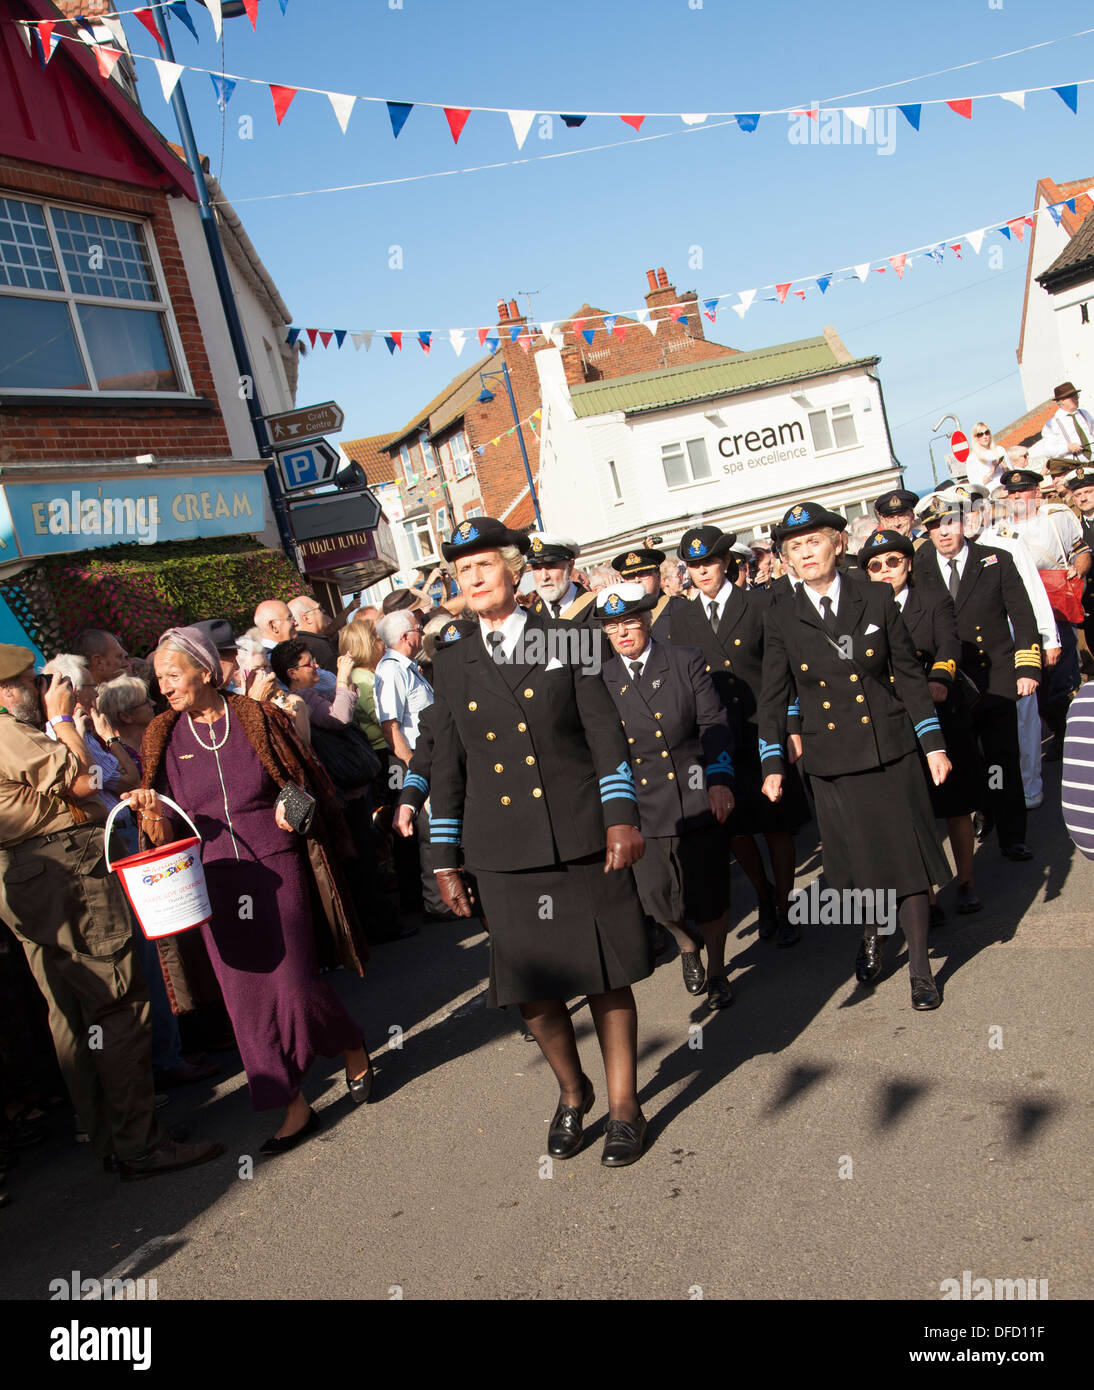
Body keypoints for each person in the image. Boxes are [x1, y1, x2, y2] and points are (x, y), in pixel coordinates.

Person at [426, 517, 652, 1166]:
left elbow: (606, 734)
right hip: (504, 850)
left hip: (581, 832)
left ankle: (625, 1106)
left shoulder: (571, 639)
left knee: (607, 978)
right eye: (461, 570)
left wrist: (621, 816)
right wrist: (443, 857)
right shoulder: (452, 660)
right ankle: (573, 1089)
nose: (471, 578)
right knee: (533, 990)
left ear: (515, 571)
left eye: (484, 566)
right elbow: (448, 763)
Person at [136, 626, 373, 1154]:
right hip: (213, 878)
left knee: (292, 984)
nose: (165, 686)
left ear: (204, 671)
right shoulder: (161, 735)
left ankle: (349, 1041)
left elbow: (303, 779)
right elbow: (163, 827)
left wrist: (289, 812)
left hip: (275, 862)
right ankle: (291, 1105)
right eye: (159, 679)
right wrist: (151, 816)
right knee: (244, 1000)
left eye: (173, 675)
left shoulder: (255, 716)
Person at [0, 644, 224, 1178]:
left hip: (30, 879)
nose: (42, 687)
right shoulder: (11, 733)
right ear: (7, 690)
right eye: (32, 681)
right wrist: (61, 721)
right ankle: (141, 1143)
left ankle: (113, 1137)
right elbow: (83, 777)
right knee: (117, 1002)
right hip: (64, 870)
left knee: (72, 1015)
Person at [759, 503, 953, 1010]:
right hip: (832, 759)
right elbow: (773, 696)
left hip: (889, 749)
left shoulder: (875, 596)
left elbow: (909, 675)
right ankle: (871, 932)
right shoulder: (780, 614)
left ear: (838, 544)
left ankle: (920, 970)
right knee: (860, 864)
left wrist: (932, 744)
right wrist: (772, 763)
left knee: (907, 859)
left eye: (814, 542)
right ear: (786, 559)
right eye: (794, 548)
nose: (805, 553)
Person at [596, 584, 736, 1008]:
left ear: (647, 620)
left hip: (695, 795)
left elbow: (713, 721)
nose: (622, 633)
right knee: (655, 898)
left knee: (709, 893)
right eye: (612, 626)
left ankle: (716, 970)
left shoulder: (684, 660)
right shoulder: (602, 679)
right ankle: (686, 943)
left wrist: (719, 779)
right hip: (643, 803)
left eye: (630, 622)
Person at [670, 525, 810, 945]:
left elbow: (785, 670)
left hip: (763, 729)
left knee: (777, 822)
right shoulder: (681, 619)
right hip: (718, 742)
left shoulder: (762, 604)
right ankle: (765, 896)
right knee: (735, 827)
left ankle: (785, 907)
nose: (703, 571)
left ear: (727, 562)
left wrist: (792, 725)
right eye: (694, 565)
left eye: (710, 562)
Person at [912, 490, 1042, 861]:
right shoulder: (919, 565)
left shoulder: (995, 560)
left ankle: (1012, 833)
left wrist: (1027, 666)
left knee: (1001, 756)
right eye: (934, 526)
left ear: (963, 523)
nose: (943, 532)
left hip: (995, 675)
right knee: (970, 758)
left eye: (949, 523)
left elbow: (1022, 615)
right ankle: (986, 805)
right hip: (949, 679)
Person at [860, 528, 984, 917]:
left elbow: (949, 643)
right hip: (894, 721)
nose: (885, 570)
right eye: (875, 565)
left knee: (955, 805)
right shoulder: (861, 609)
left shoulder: (932, 598)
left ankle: (965, 880)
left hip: (940, 713)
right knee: (912, 812)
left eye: (893, 562)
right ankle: (927, 895)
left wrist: (939, 679)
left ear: (908, 564)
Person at [955, 483, 1061, 812]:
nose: (968, 518)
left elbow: (1032, 595)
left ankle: (1029, 785)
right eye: (960, 514)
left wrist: (1047, 637)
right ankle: (996, 794)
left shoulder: (1006, 546)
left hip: (1013, 646)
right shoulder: (946, 554)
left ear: (984, 512)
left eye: (972, 510)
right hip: (972, 658)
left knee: (1024, 719)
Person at [1001, 468, 1090, 757]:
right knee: (1035, 677)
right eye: (1012, 493)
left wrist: (1080, 569)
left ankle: (1074, 735)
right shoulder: (999, 530)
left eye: (1022, 491)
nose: (1016, 497)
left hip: (1057, 605)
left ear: (1037, 493)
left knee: (1064, 675)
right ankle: (1058, 732)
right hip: (1022, 612)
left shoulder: (1057, 518)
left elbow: (1081, 551)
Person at [374, 610, 447, 919]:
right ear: (406, 637)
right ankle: (435, 904)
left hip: (420, 758)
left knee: (422, 831)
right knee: (425, 831)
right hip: (411, 761)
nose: (421, 635)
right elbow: (390, 726)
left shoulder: (406, 667)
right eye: (419, 630)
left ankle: (425, 900)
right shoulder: (392, 670)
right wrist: (414, 765)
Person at [612, 547, 683, 638]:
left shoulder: (680, 608)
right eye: (630, 576)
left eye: (643, 574)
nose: (637, 580)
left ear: (658, 575)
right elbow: (597, 651)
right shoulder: (616, 615)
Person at [527, 534, 595, 620]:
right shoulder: (529, 617)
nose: (544, 577)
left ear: (570, 566)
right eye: (537, 568)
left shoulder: (596, 608)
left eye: (551, 567)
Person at [1040, 381, 1094, 472]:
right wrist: (1068, 448)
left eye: (1076, 396)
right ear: (1062, 401)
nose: (1076, 399)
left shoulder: (1084, 413)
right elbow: (1047, 450)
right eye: (1072, 397)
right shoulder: (1051, 424)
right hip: (1073, 468)